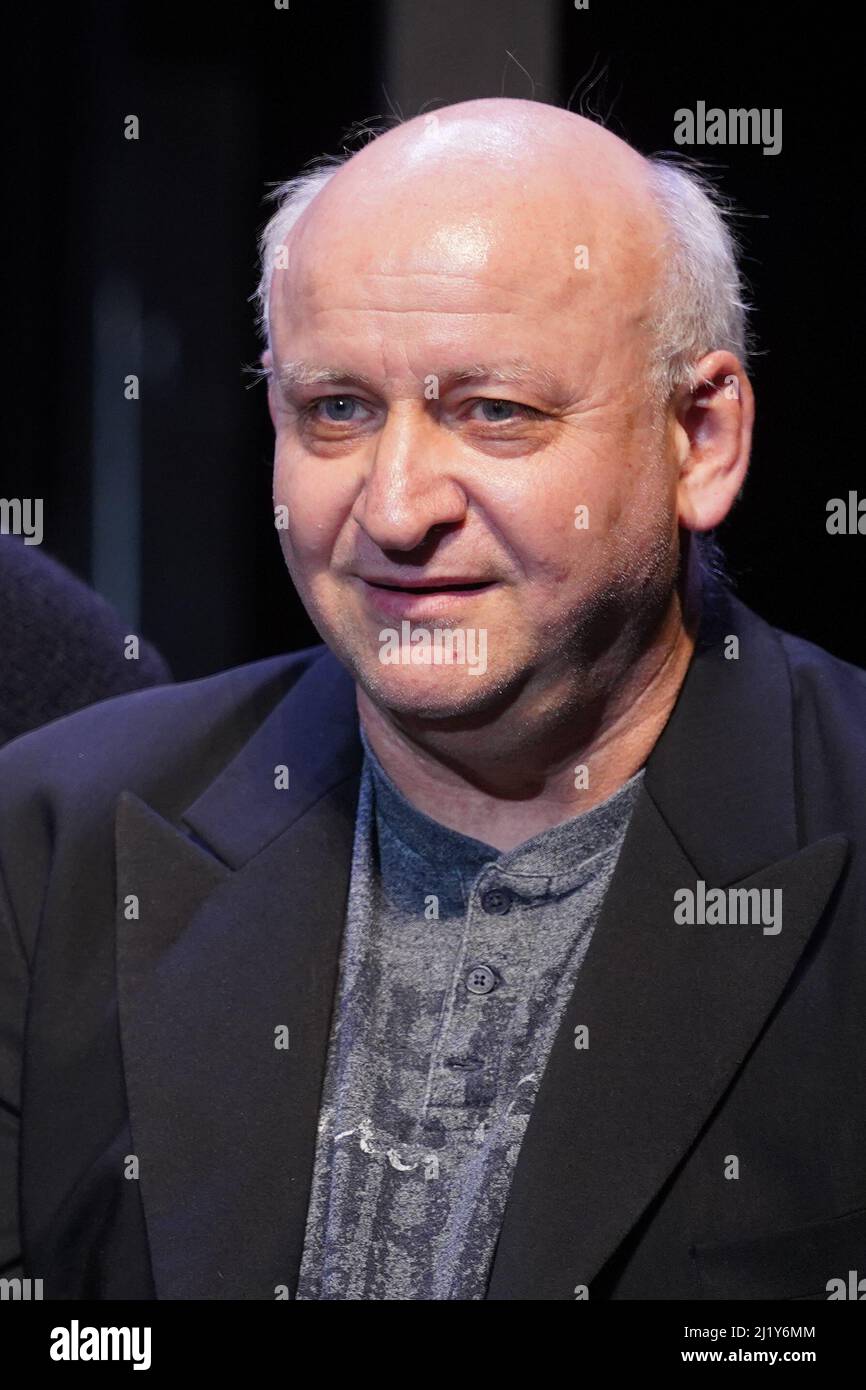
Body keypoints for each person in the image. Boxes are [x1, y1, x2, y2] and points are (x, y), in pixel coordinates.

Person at [1, 98, 864, 1302]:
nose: (397, 506)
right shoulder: (52, 834)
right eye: (337, 410)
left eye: (494, 412)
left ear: (700, 438)